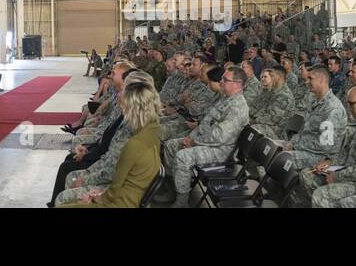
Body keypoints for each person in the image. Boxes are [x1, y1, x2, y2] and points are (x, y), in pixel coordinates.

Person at [58, 76, 163, 208]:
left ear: (135, 109)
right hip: (130, 195)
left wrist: (95, 197)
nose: (123, 112)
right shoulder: (153, 130)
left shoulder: (135, 143)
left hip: (122, 201)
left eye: (126, 108)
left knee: (62, 203)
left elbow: (114, 188)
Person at [163, 67, 250, 207]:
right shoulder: (225, 99)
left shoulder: (238, 107)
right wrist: (191, 137)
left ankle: (182, 200)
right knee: (170, 145)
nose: (220, 82)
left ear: (237, 84)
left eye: (225, 79)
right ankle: (174, 188)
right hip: (205, 141)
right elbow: (205, 124)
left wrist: (194, 141)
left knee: (182, 156)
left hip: (222, 150)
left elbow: (220, 136)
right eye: (222, 78)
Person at [294, 84, 356, 207]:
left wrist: (337, 176)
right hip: (349, 171)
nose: (349, 108)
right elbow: (347, 151)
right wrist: (330, 162)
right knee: (306, 175)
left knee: (321, 196)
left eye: (352, 104)